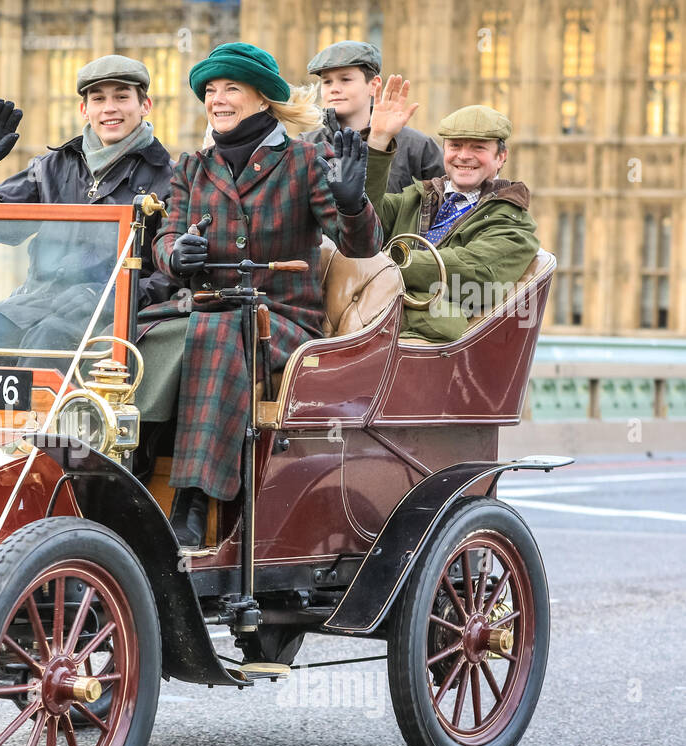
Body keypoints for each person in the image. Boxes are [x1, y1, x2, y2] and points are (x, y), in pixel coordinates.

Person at [148, 42, 384, 548]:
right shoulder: (193, 166)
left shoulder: (302, 158)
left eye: (231, 87)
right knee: (129, 335)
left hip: (276, 318)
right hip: (205, 306)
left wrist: (351, 201)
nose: (218, 99)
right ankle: (133, 476)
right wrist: (177, 254)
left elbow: (360, 245)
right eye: (210, 90)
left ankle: (193, 498)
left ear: (262, 100)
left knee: (219, 329)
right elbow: (166, 238)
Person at [0, 55, 174, 367]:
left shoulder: (169, 177)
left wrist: (110, 296)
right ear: (84, 109)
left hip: (108, 315)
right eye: (98, 99)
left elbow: (171, 274)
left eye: (121, 96)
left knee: (45, 348)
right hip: (34, 306)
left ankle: (29, 419)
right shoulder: (51, 168)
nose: (109, 108)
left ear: (145, 105)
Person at [364, 78, 540, 341]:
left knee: (445, 320)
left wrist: (385, 265)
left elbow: (475, 273)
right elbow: (359, 216)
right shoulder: (416, 198)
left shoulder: (513, 224)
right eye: (455, 146)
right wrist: (378, 142)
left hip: (439, 354)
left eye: (478, 147)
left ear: (501, 157)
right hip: (379, 325)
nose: (464, 156)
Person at [301, 41, 443, 193]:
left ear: (374, 85)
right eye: (327, 82)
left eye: (345, 79)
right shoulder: (306, 145)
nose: (334, 89)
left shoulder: (416, 146)